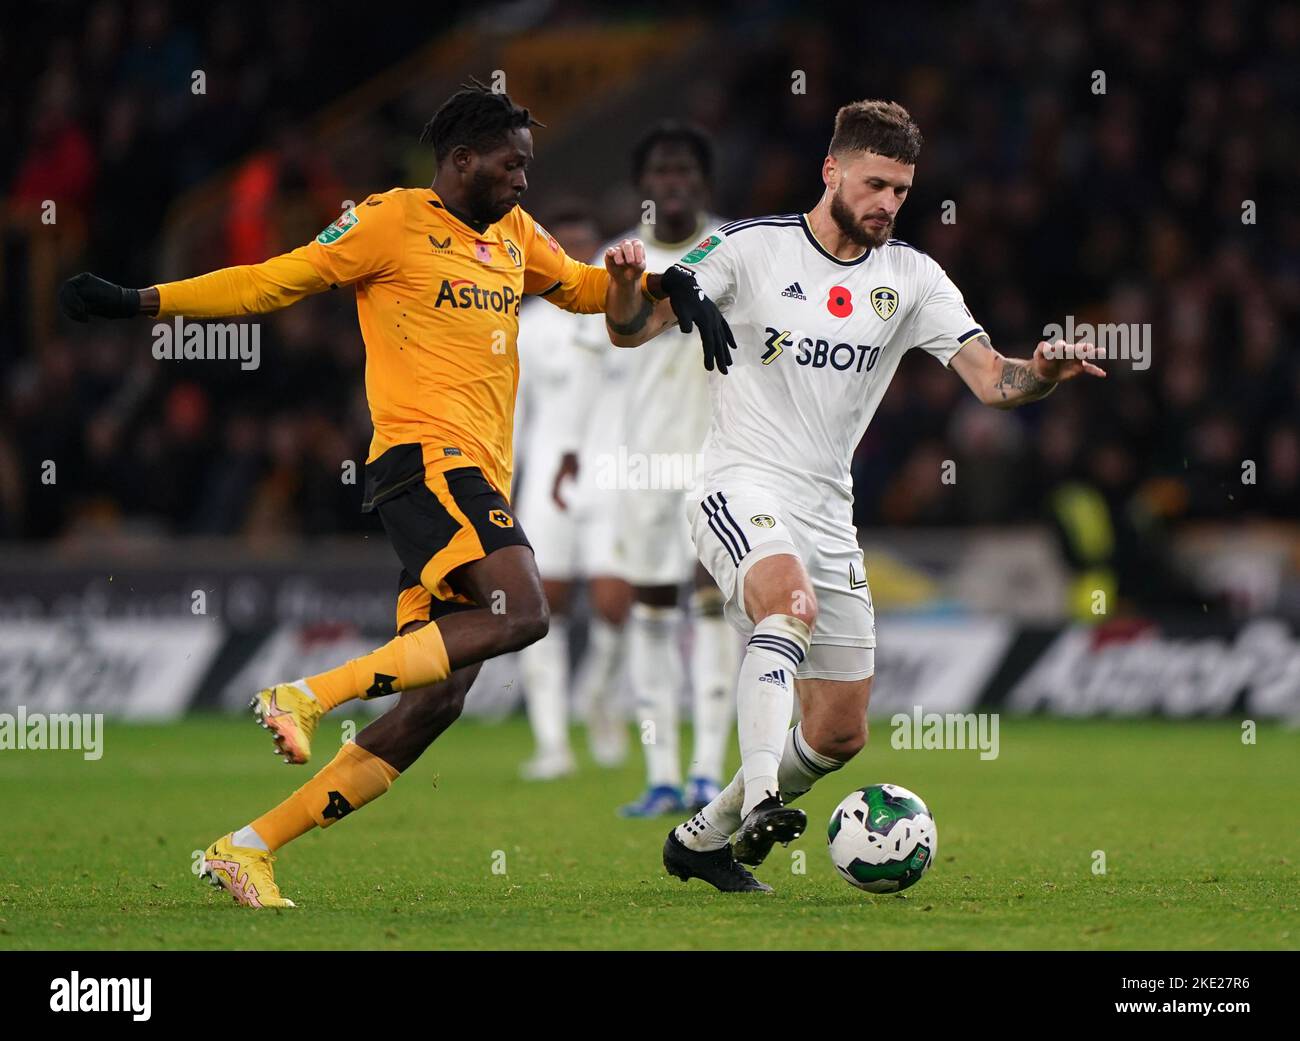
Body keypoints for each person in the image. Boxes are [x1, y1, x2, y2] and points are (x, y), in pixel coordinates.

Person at [59, 79, 734, 908]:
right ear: (460, 162)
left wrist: (657, 279)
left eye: (527, 166)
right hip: (426, 460)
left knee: (435, 705)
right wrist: (143, 301)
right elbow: (274, 282)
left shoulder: (516, 234)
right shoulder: (390, 218)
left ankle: (249, 846)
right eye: (510, 165)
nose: (524, 181)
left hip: (476, 473)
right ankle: (306, 693)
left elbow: (599, 299)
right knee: (525, 612)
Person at [607, 99, 1105, 891]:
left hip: (827, 510)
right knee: (788, 604)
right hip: (737, 482)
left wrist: (1040, 371)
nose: (888, 204)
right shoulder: (747, 248)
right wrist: (627, 283)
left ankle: (704, 837)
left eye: (902, 191)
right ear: (832, 169)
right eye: (876, 184)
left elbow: (991, 379)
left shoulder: (910, 276)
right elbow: (632, 326)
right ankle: (761, 795)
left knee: (839, 732)